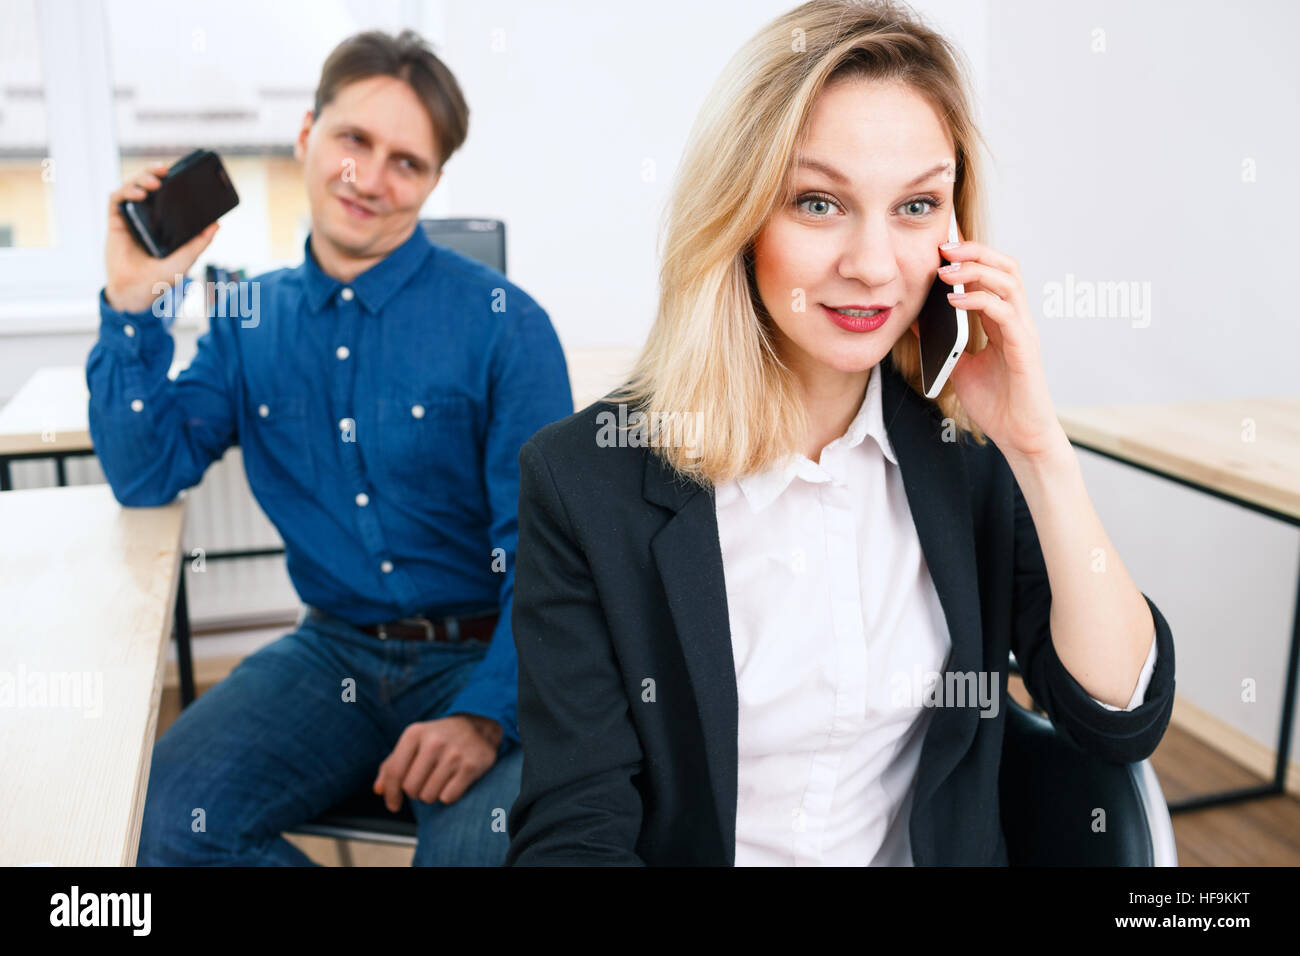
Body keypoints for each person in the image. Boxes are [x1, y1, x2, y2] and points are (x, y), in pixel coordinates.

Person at [504, 0, 1174, 866]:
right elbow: (576, 829)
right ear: (739, 216)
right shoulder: (582, 481)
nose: (873, 263)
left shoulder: (968, 454)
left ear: (955, 229)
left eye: (916, 206)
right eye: (819, 203)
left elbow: (1118, 713)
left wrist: (1039, 449)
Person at [88, 29, 572, 865]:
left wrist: (486, 711)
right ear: (308, 135)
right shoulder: (247, 320)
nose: (371, 179)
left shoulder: (508, 326)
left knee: (477, 856)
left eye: (406, 162)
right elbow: (145, 473)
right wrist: (131, 304)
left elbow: (551, 558)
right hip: (333, 649)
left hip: (488, 652)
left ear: (433, 182)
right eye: (354, 140)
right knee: (161, 819)